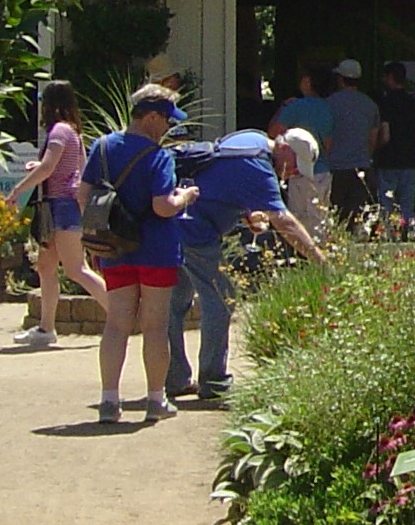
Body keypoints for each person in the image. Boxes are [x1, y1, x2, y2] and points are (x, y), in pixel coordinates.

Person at [165, 129, 326, 399]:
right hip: (195, 231)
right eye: (296, 167)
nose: (294, 174)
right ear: (286, 151)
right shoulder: (260, 166)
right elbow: (284, 221)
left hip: (174, 223)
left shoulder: (252, 140)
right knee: (221, 297)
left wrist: (249, 214)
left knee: (175, 301)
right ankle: (213, 380)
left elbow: (225, 181)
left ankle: (175, 378)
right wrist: (320, 260)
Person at [86, 86, 201, 424]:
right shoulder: (158, 156)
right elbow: (162, 207)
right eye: (166, 119)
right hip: (156, 249)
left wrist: (95, 237)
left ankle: (109, 401)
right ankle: (155, 399)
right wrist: (186, 197)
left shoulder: (102, 148)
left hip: (115, 246)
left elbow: (82, 195)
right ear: (151, 116)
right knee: (155, 326)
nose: (168, 127)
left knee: (116, 324)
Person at [5, 80, 110, 349]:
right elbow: (73, 168)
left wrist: (19, 189)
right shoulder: (72, 132)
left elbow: (49, 168)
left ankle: (121, 314)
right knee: (46, 266)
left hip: (62, 205)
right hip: (57, 205)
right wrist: (38, 166)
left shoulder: (59, 132)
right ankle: (46, 328)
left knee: (76, 269)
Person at [324, 58, 383, 223]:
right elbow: (373, 139)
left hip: (336, 168)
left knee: (335, 217)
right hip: (362, 168)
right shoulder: (370, 105)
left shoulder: (329, 104)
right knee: (358, 218)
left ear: (340, 79)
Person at [272, 67, 335, 213]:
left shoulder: (295, 106)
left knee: (298, 218)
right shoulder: (327, 108)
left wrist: (282, 107)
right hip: (323, 171)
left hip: (298, 170)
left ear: (307, 82)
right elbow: (328, 145)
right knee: (319, 221)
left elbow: (274, 132)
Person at [372, 61, 415, 227]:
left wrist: (375, 150)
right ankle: (412, 236)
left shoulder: (385, 102)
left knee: (386, 204)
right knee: (407, 205)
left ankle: (389, 238)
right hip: (409, 159)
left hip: (388, 160)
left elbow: (385, 135)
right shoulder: (414, 102)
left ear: (389, 78)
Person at [276, 128, 330, 241]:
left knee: (309, 218)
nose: (293, 173)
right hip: (324, 173)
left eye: (296, 171)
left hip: (318, 174)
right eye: (295, 169)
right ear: (284, 148)